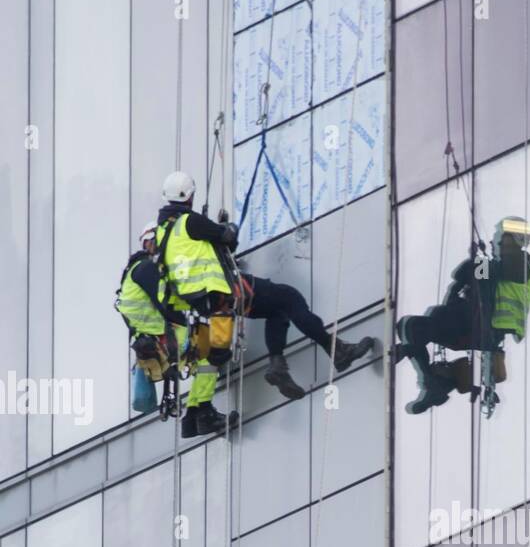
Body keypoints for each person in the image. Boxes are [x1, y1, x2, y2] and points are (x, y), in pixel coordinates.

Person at [395, 216, 530, 414]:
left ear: (517, 240)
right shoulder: (495, 267)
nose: (498, 241)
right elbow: (483, 276)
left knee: (415, 326)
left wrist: (476, 265)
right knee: (409, 326)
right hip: (471, 329)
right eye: (500, 238)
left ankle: (427, 372)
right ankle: (432, 383)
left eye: (504, 238)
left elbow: (496, 271)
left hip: (487, 333)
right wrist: (467, 276)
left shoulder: (522, 264)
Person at [154, 170, 240, 439]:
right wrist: (228, 227)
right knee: (218, 352)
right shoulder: (190, 222)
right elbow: (225, 236)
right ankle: (202, 411)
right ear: (189, 197)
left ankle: (193, 417)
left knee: (205, 356)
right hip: (211, 298)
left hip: (187, 304)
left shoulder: (163, 229)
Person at [240, 274, 378, 401]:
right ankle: (339, 351)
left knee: (276, 311)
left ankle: (278, 366)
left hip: (229, 300)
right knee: (289, 297)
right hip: (234, 286)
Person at [115, 223, 187, 419]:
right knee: (200, 342)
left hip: (149, 335)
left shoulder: (136, 270)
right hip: (158, 333)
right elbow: (163, 301)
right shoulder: (146, 268)